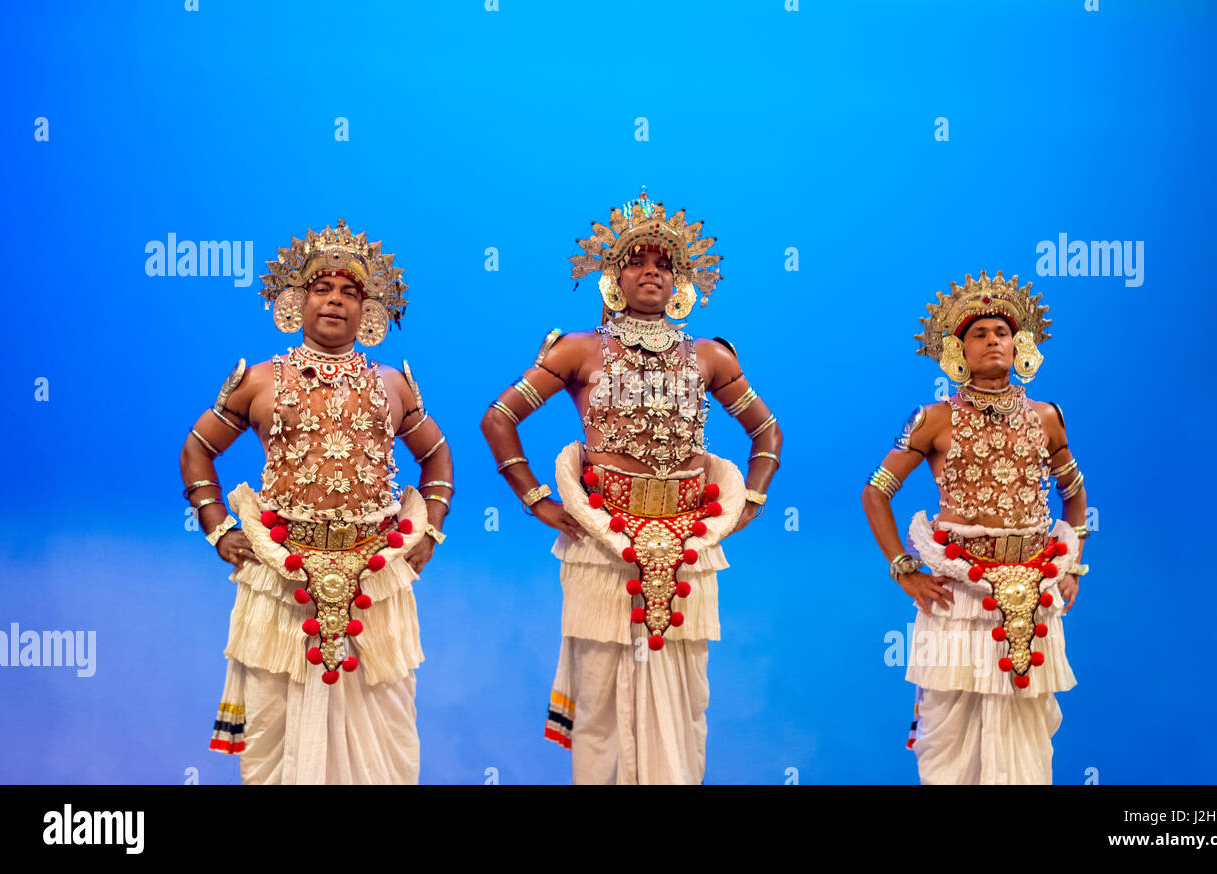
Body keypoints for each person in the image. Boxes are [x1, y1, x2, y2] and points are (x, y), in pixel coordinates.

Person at [479, 188, 783, 784]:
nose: (651, 272)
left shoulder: (708, 357)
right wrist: (534, 495)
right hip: (600, 544)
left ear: (680, 283)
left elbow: (767, 430)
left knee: (686, 697)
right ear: (614, 277)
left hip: (690, 543)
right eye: (638, 262)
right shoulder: (579, 349)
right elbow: (499, 417)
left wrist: (752, 496)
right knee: (599, 698)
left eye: (664, 265)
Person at [179, 219, 452, 784]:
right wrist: (216, 527)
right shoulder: (258, 380)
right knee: (273, 725)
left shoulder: (392, 385)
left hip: (375, 576)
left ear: (368, 312)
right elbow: (198, 450)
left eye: (349, 292)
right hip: (282, 576)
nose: (334, 301)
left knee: (385, 726)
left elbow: (439, 458)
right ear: (295, 302)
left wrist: (430, 530)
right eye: (321, 289)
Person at [861, 270, 1090, 785]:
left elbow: (1074, 494)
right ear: (958, 350)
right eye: (980, 334)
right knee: (948, 720)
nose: (993, 341)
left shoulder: (1047, 416)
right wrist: (905, 569)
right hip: (958, 592)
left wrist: (1073, 565)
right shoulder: (932, 419)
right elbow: (875, 492)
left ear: (1020, 344)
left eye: (1002, 333)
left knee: (1028, 722)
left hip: (1034, 586)